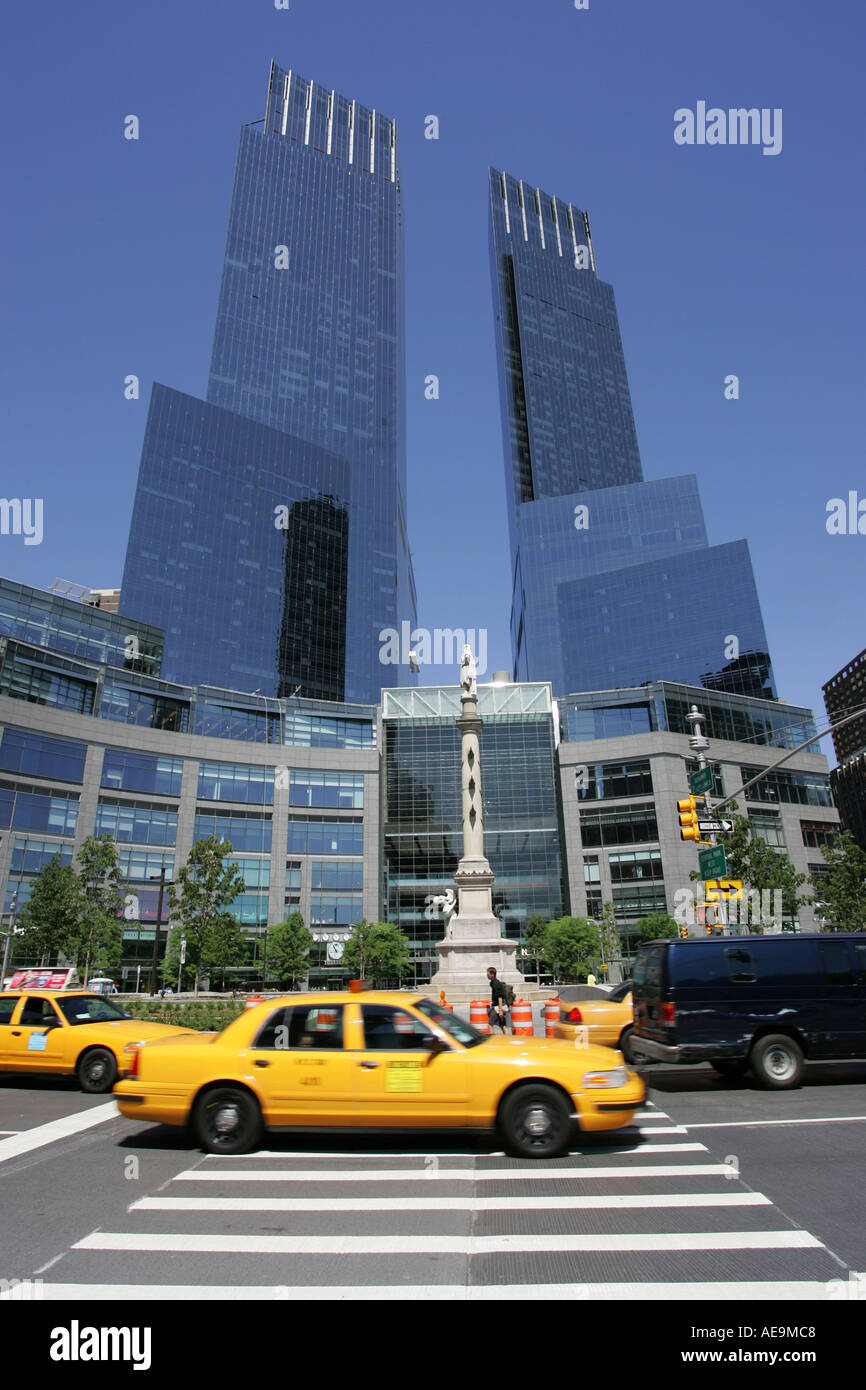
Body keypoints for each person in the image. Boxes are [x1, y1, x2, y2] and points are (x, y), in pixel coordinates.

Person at [486, 966, 509, 1033]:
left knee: (490, 1025)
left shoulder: (495, 983)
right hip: (498, 1006)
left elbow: (500, 997)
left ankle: (493, 1041)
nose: (487, 975)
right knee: (502, 1025)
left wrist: (500, 1010)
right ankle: (507, 1039)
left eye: (488, 974)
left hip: (498, 1007)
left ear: (492, 974)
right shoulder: (494, 982)